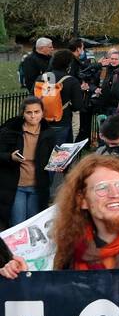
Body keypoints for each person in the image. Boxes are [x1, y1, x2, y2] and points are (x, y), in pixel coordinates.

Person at [1, 97, 56, 226]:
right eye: (29, 112)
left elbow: (53, 157)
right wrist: (10, 157)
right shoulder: (10, 131)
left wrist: (60, 163)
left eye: (37, 112)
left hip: (38, 186)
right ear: (23, 114)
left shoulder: (49, 133)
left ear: (42, 113)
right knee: (18, 225)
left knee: (33, 226)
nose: (33, 116)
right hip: (17, 186)